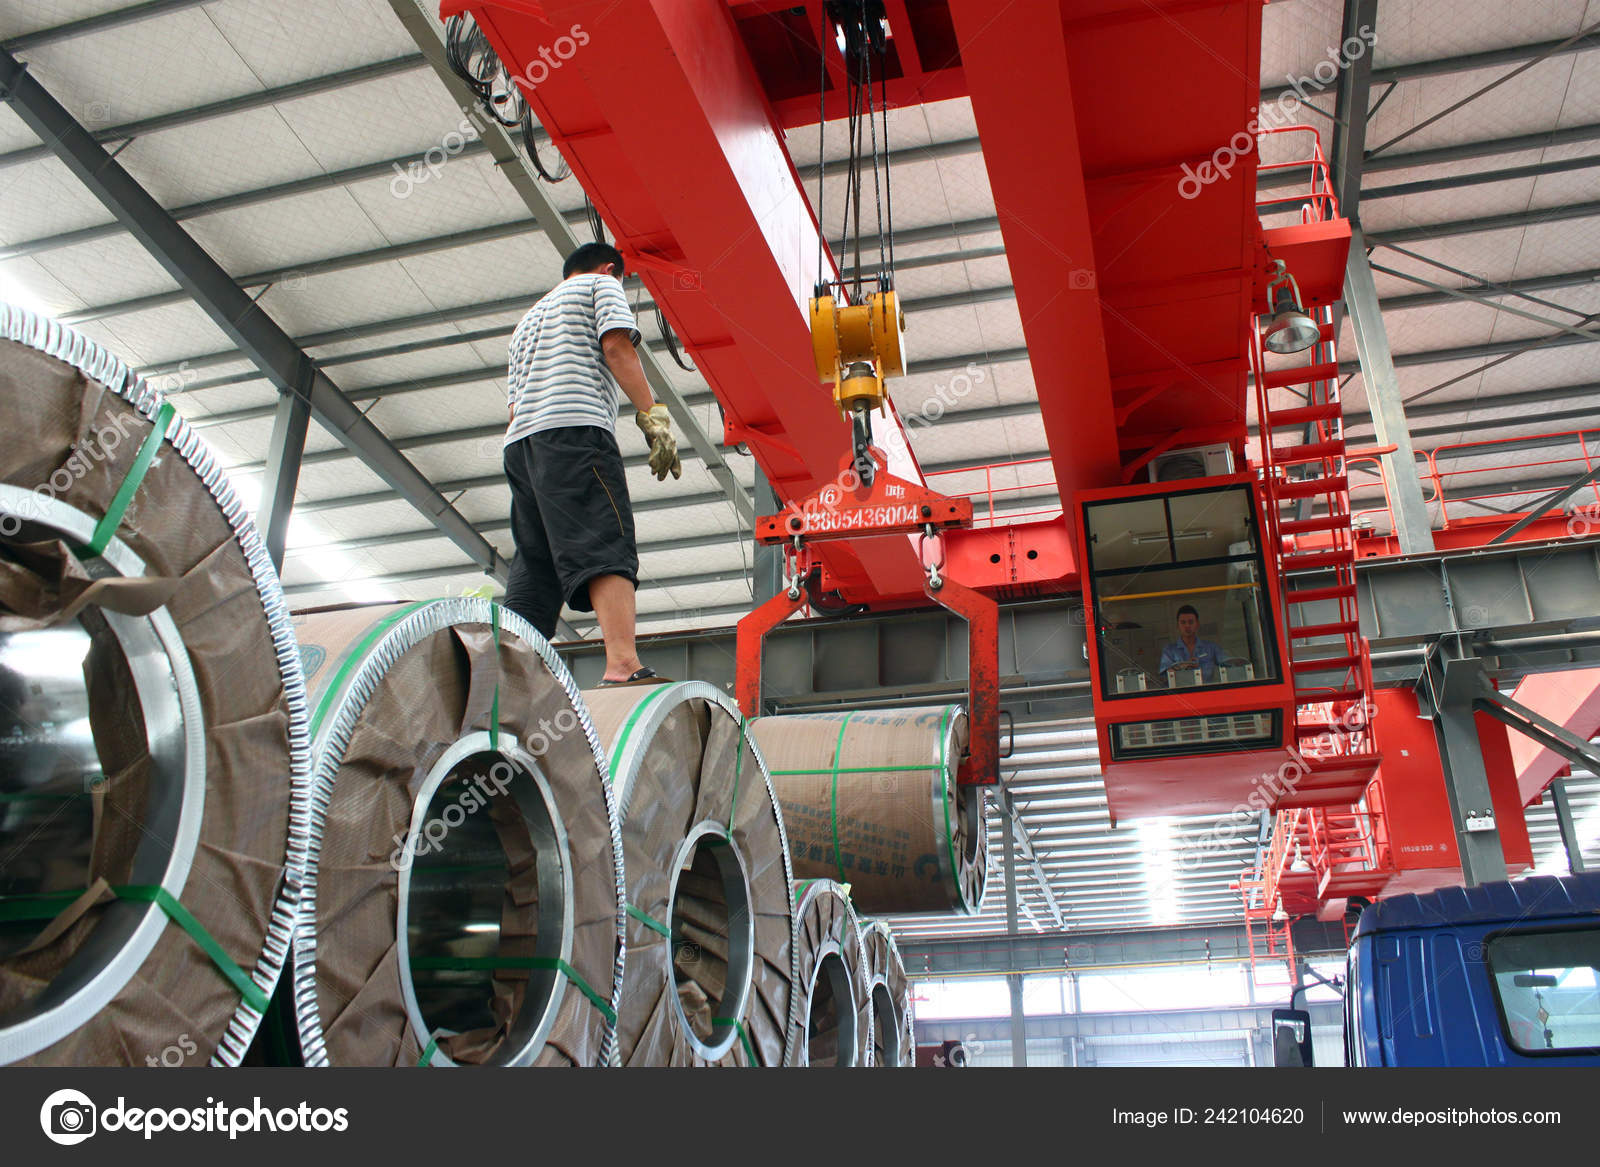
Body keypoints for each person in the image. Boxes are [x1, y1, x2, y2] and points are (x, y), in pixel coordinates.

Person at [501, 242, 682, 683]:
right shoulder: (602, 284)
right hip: (575, 431)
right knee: (605, 537)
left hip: (522, 447)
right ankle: (622, 664)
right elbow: (617, 346)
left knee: (537, 563)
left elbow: (512, 407)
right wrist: (652, 415)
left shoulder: (526, 324)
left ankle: (509, 681)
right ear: (609, 269)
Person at [1157, 604, 1228, 683]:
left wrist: (1238, 663)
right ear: (1177, 625)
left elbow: (1229, 666)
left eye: (1191, 622)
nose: (1187, 626)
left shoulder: (1211, 648)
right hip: (1181, 694)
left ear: (1197, 624)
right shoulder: (1169, 650)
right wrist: (1181, 667)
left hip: (1208, 692)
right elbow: (1163, 678)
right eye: (1183, 622)